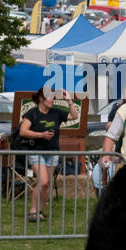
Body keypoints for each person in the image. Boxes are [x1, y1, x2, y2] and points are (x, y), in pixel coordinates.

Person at [19, 87, 79, 222]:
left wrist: (69, 100)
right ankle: (32, 211)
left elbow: (74, 116)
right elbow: (23, 131)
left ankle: (39, 211)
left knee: (47, 184)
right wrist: (41, 135)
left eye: (53, 97)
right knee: (43, 181)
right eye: (49, 97)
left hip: (52, 152)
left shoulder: (56, 113)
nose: (52, 100)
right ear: (41, 99)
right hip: (37, 152)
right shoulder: (32, 113)